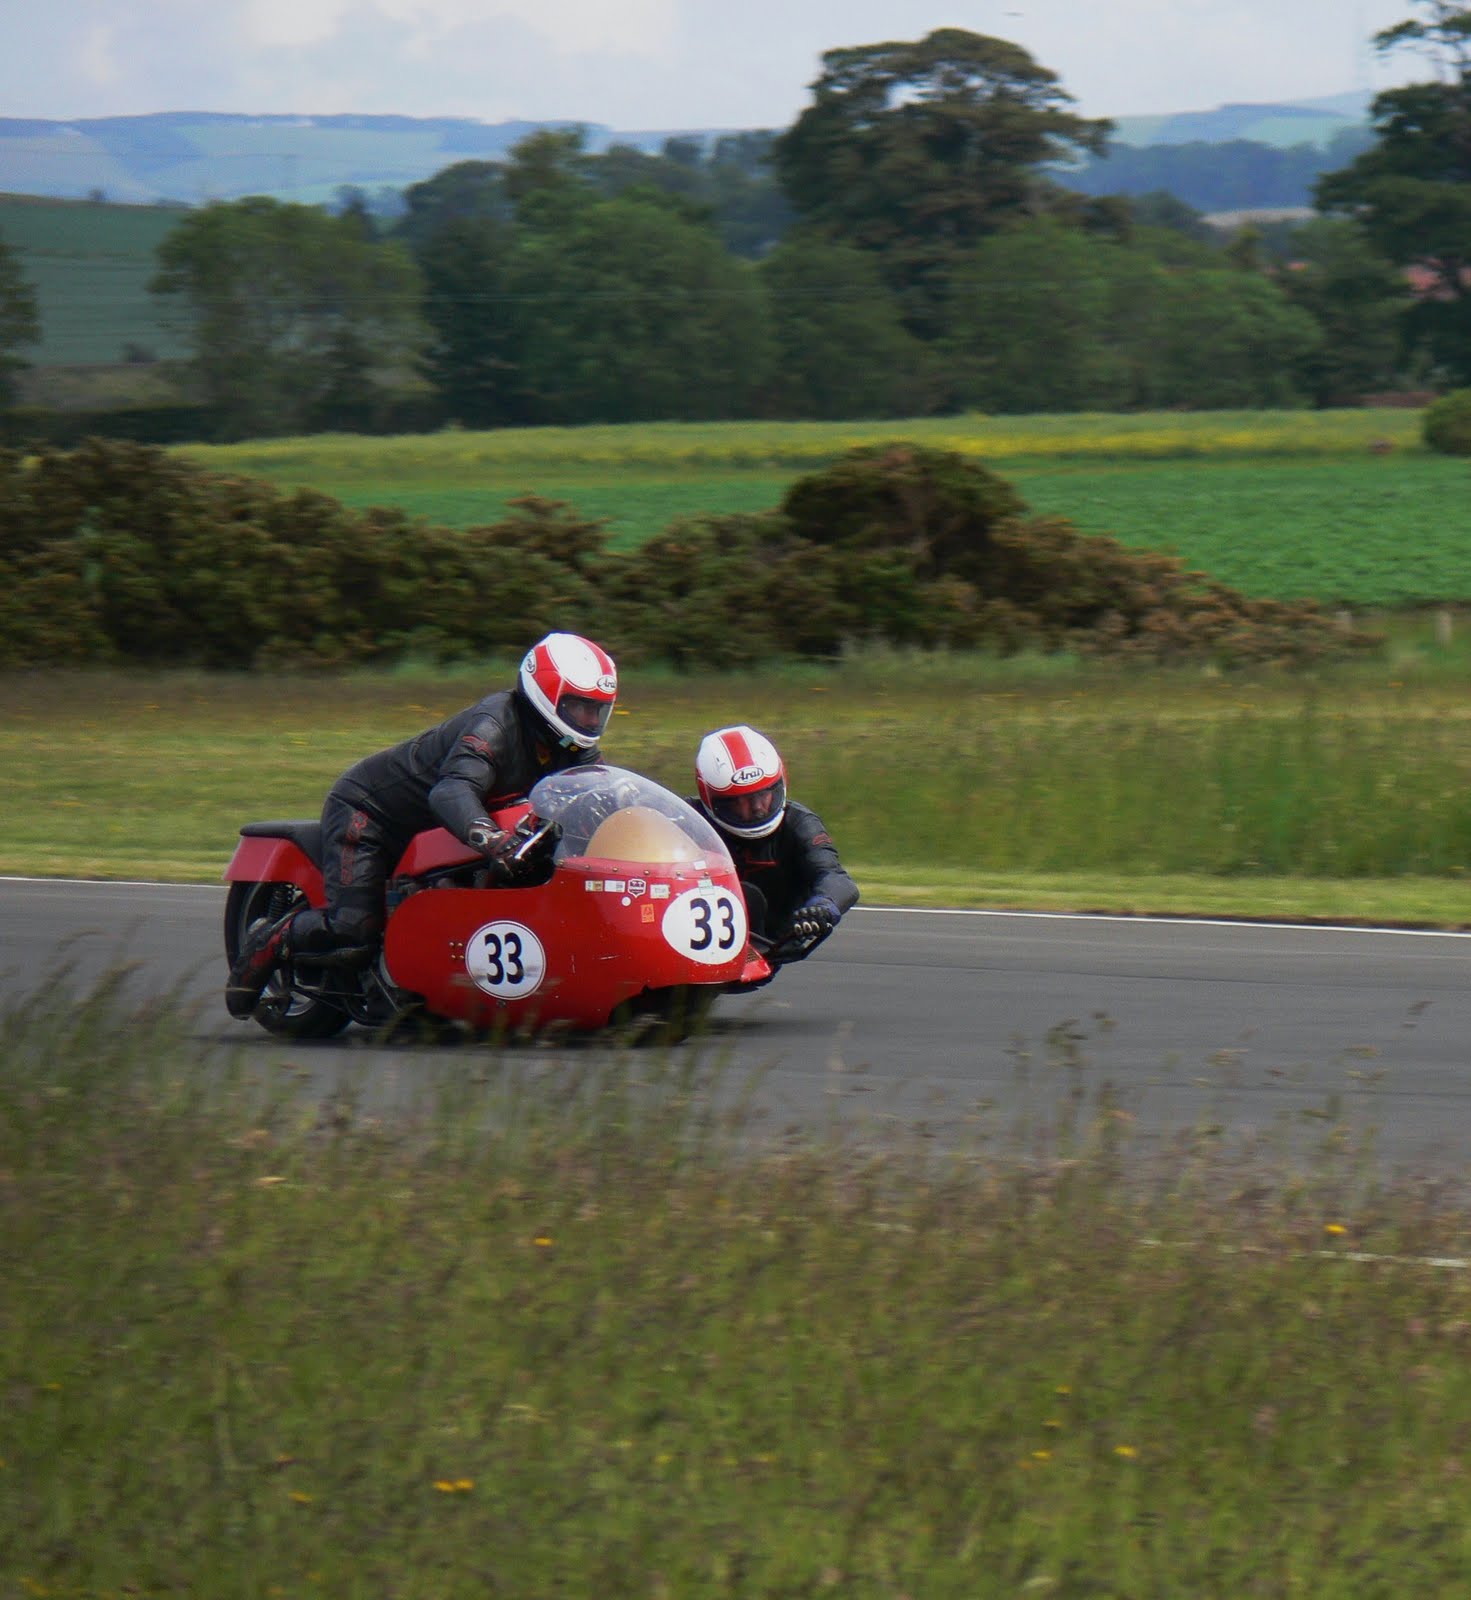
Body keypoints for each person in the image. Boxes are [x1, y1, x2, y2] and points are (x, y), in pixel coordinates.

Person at [225, 632, 618, 1019]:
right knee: (353, 928)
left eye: (596, 710)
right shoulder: (493, 726)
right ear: (545, 697)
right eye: (578, 707)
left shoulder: (570, 747)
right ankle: (269, 941)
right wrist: (494, 841)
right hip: (370, 814)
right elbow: (452, 792)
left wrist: (657, 815)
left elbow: (597, 790)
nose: (588, 719)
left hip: (437, 833)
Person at [690, 724, 858, 964]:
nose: (758, 807)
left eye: (764, 794)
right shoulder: (690, 819)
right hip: (693, 946)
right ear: (714, 800)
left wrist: (823, 906)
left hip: (770, 944)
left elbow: (838, 879)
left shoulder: (798, 823)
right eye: (743, 800)